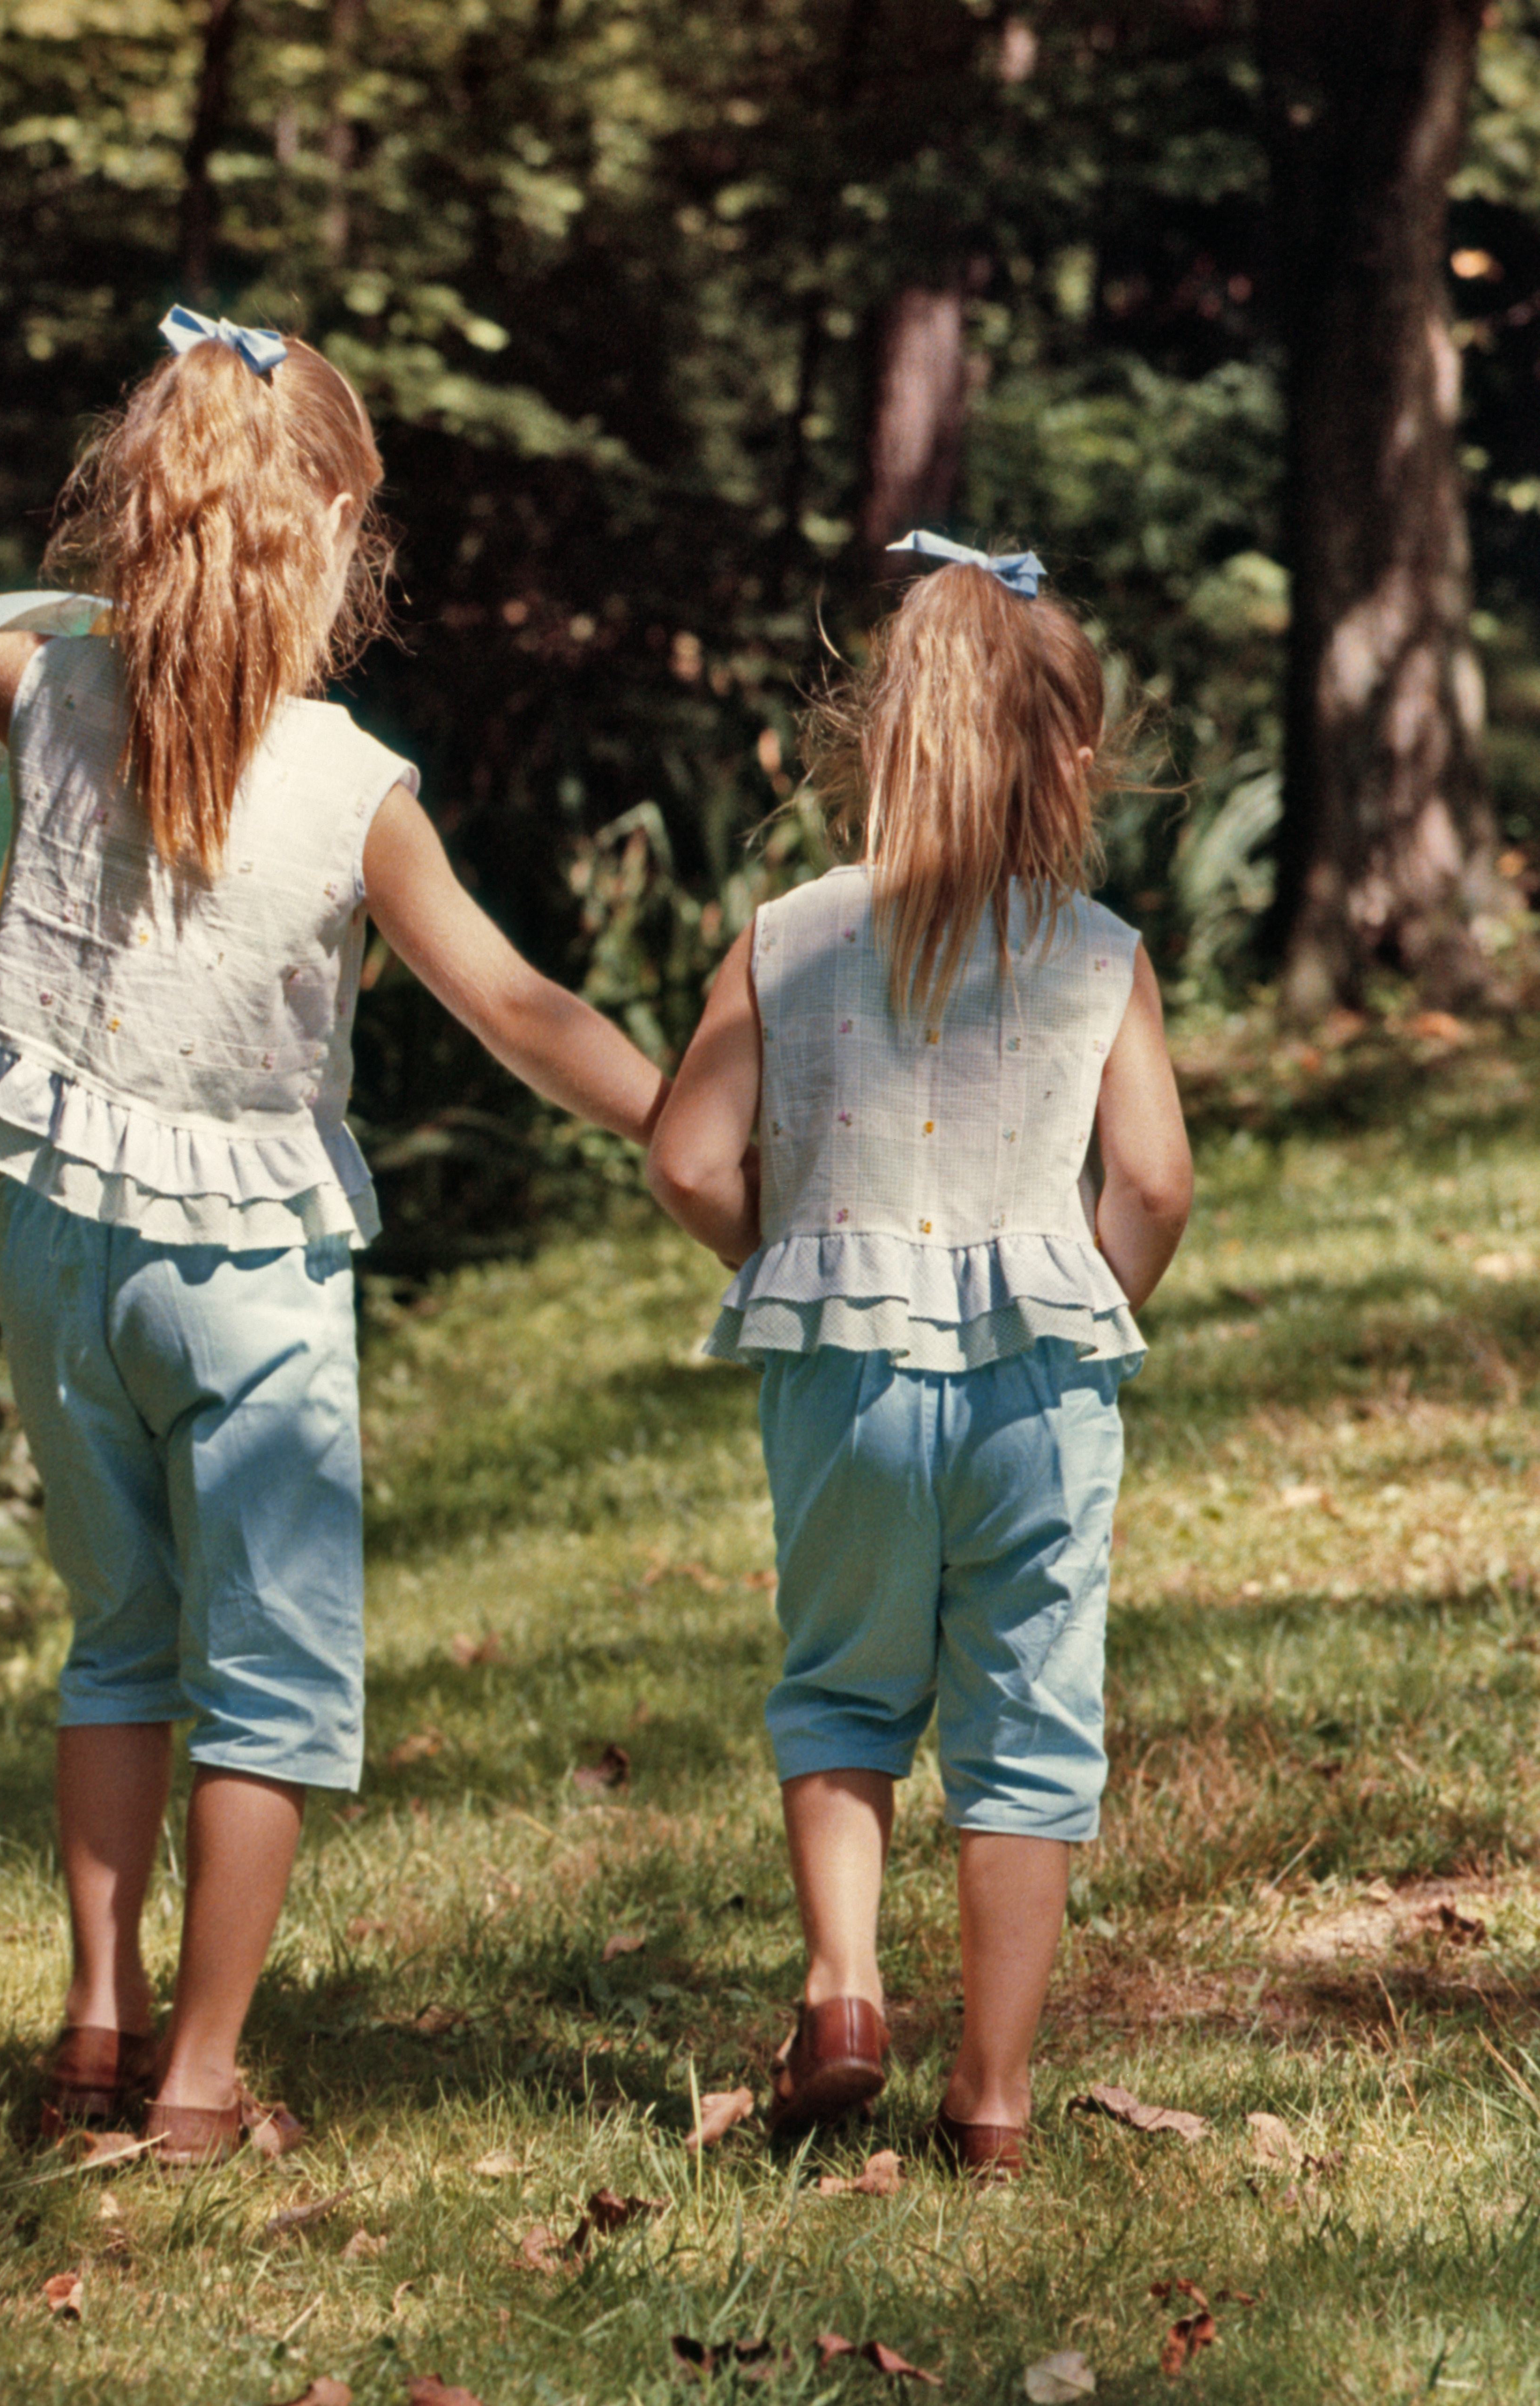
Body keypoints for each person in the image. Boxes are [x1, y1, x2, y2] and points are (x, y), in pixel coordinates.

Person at [0, 309, 668, 2167]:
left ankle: (90, 2031)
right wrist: (687, 1126)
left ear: (139, 513)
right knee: (265, 1675)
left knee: (118, 1645)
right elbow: (517, 1007)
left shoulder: (41, 686)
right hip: (245, 1278)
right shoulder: (352, 787)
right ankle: (196, 2082)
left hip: (53, 1257)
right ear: (336, 527)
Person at [645, 537, 1192, 2177]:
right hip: (1041, 1377)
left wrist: (794, 1261)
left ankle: (846, 1994)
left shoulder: (788, 936)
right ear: (1072, 757)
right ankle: (997, 2104)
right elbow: (1154, 1182)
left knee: (841, 1686)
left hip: (844, 1375)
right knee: (1027, 1721)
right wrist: (1094, 1295)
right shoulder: (1098, 949)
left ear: (878, 740)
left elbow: (684, 1157)